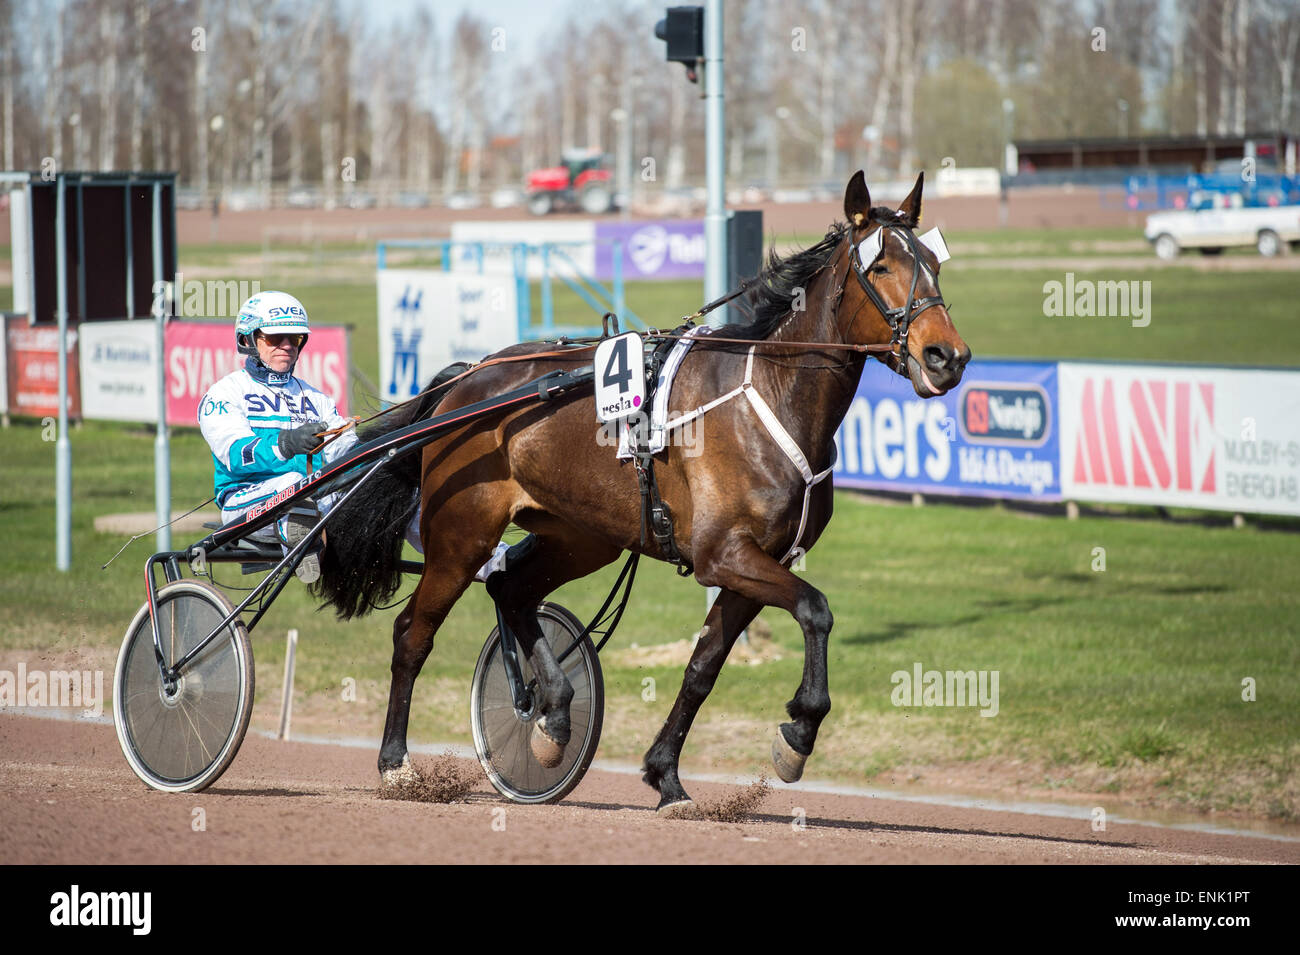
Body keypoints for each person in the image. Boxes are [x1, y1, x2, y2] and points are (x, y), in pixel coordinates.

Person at [199, 291, 356, 582]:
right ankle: (299, 539)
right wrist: (287, 443)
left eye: (294, 338)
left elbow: (345, 450)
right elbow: (236, 455)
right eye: (275, 338)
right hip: (245, 503)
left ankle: (466, 565)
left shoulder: (316, 398)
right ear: (247, 339)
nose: (286, 346)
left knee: (392, 486)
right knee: (294, 484)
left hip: (312, 495)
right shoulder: (224, 394)